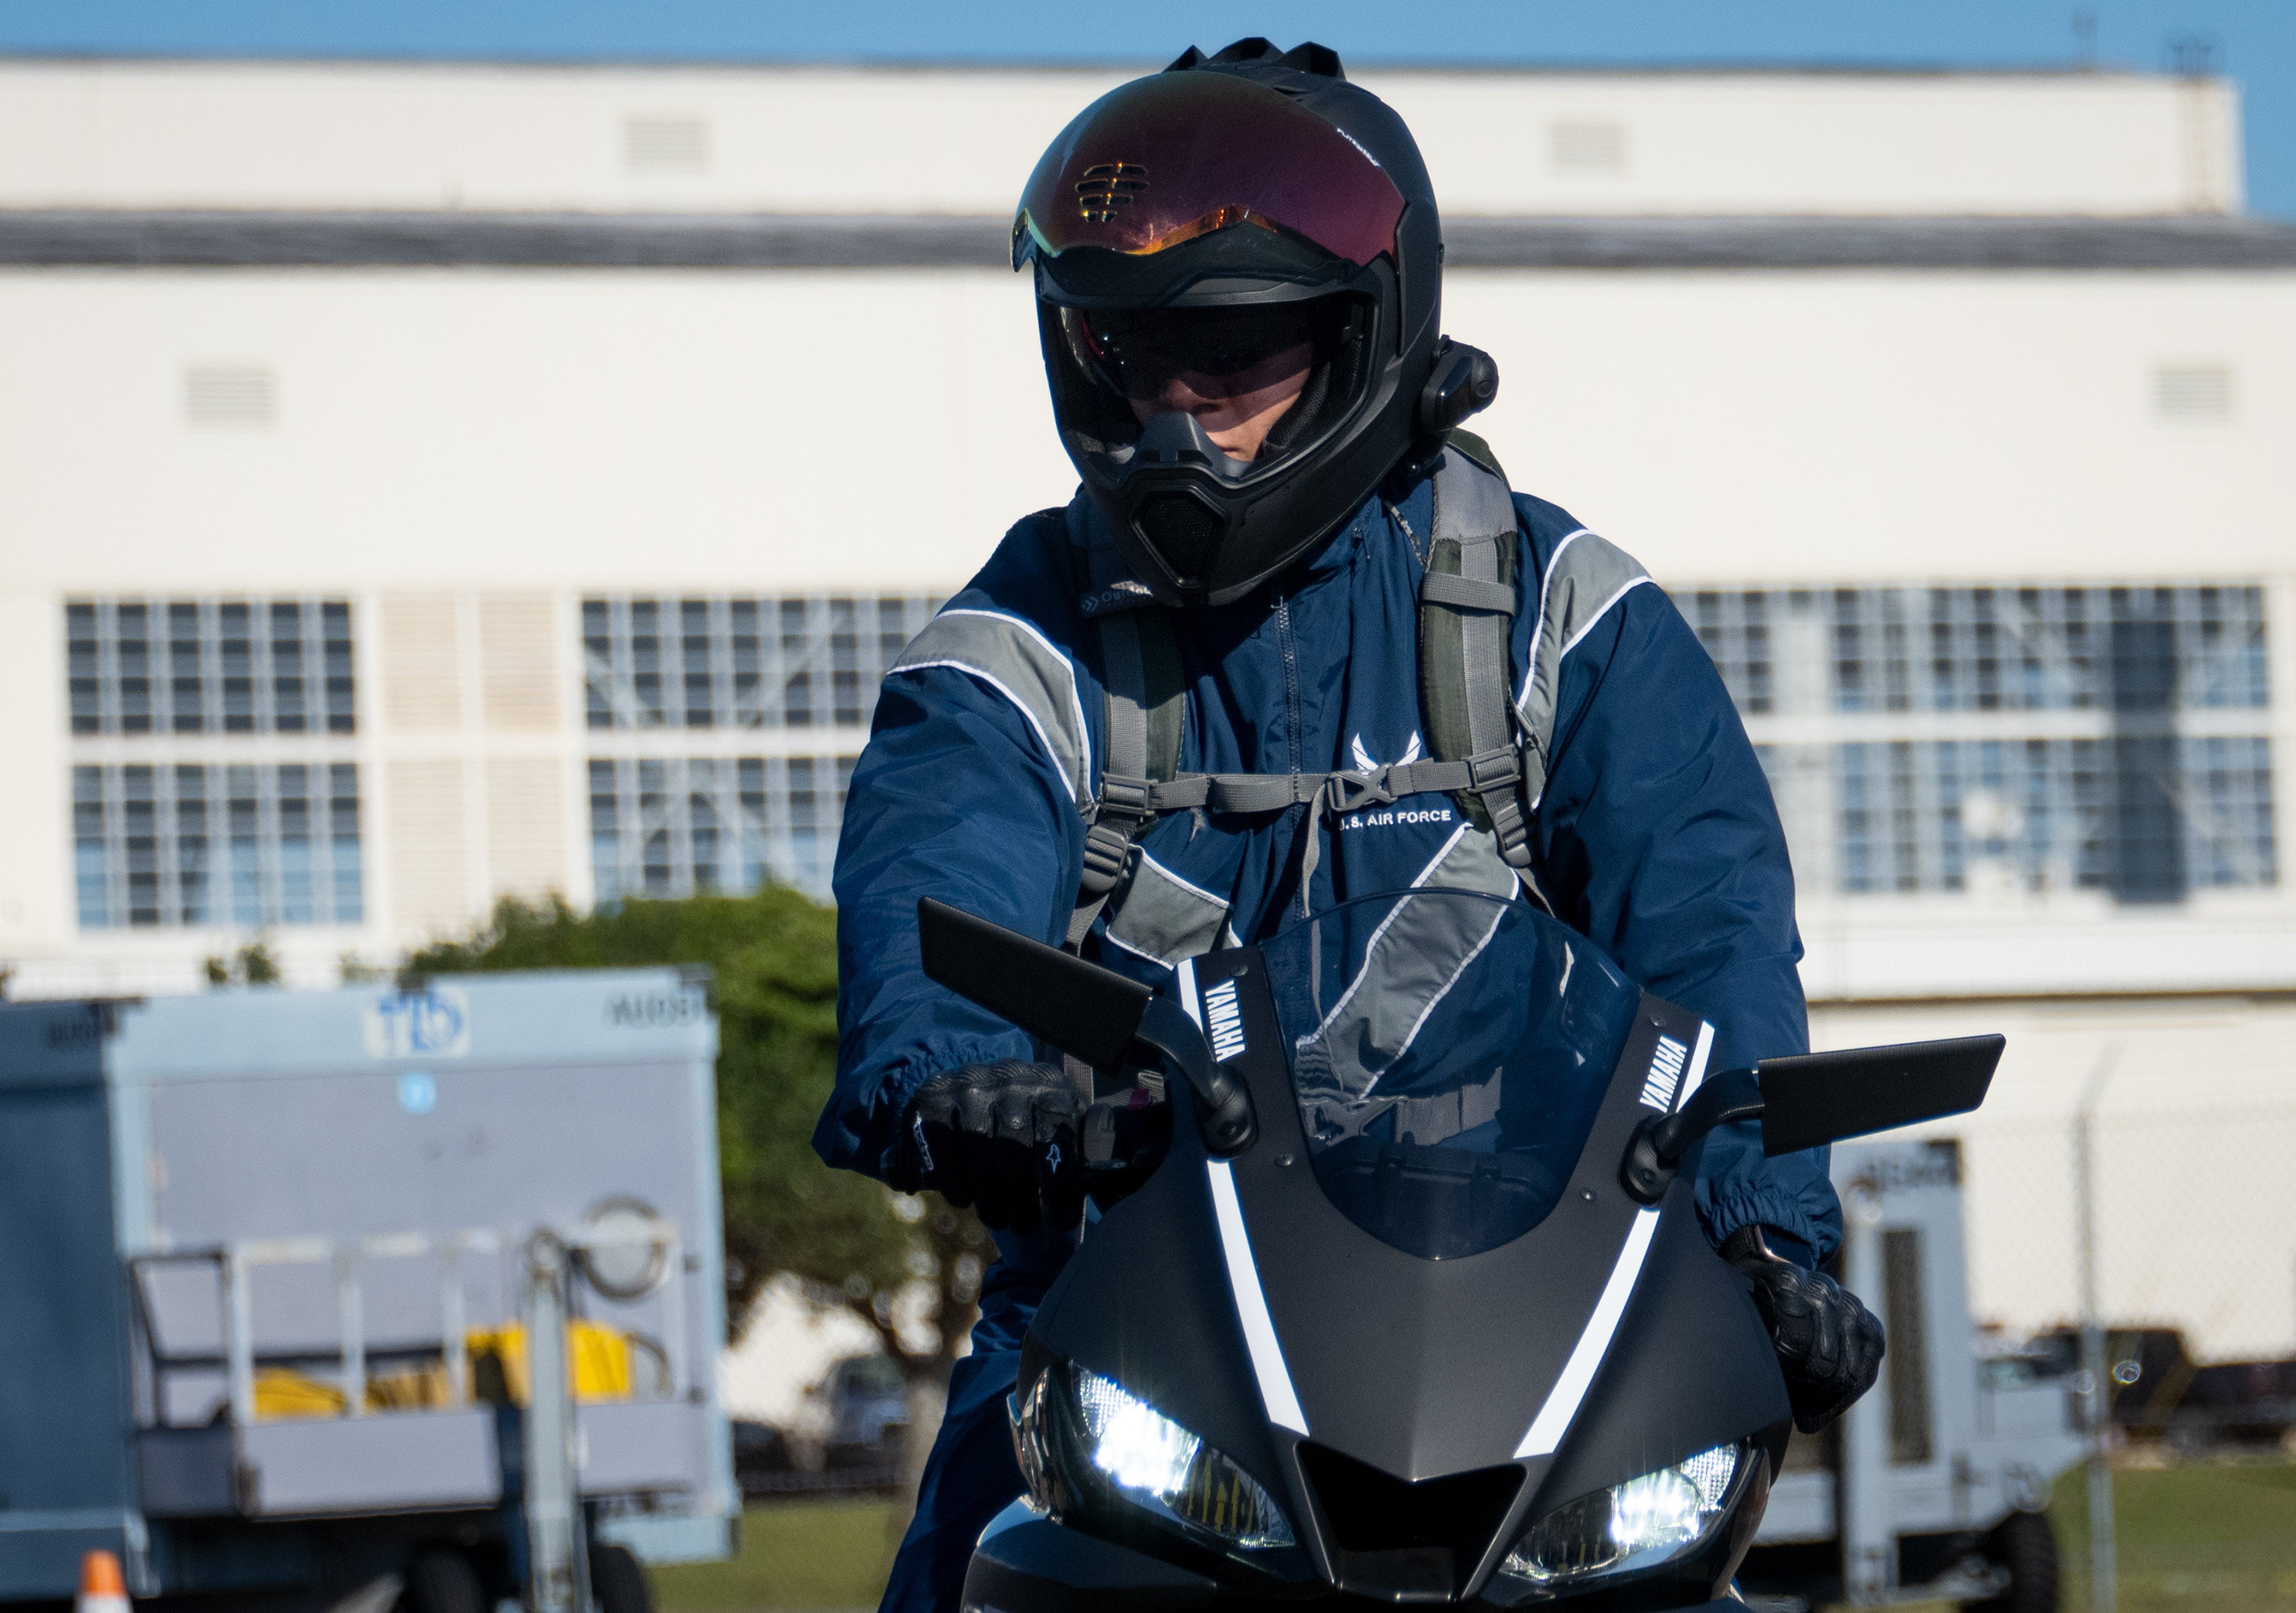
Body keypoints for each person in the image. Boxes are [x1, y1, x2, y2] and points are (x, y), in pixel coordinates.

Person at [814, 38, 1882, 1613]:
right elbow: (937, 891)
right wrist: (957, 1078)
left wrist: (1771, 1244)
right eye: (1130, 361)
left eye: (1234, 365)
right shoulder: (1017, 645)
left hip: (1530, 1328)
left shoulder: (1558, 614)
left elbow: (1709, 929)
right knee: (977, 1563)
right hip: (1146, 1324)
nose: (1181, 424)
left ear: (1367, 336)